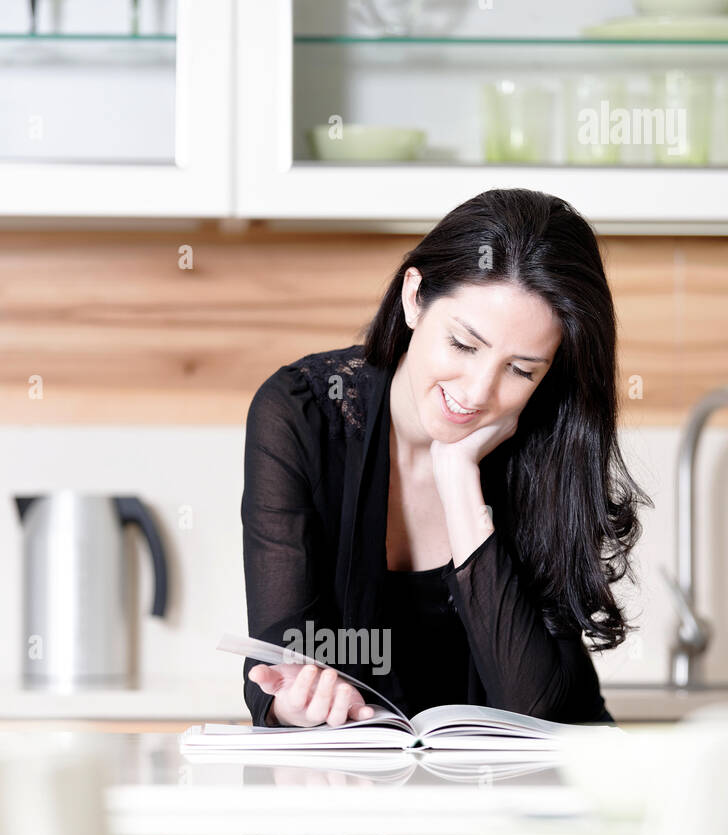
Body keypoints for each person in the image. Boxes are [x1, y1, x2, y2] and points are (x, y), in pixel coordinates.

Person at [241, 188, 649, 729]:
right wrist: (295, 702)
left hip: (540, 787)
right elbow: (282, 654)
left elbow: (534, 709)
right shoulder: (302, 413)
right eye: (463, 344)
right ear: (415, 297)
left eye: (521, 370)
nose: (479, 392)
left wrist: (459, 479)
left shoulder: (545, 444)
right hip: (368, 791)